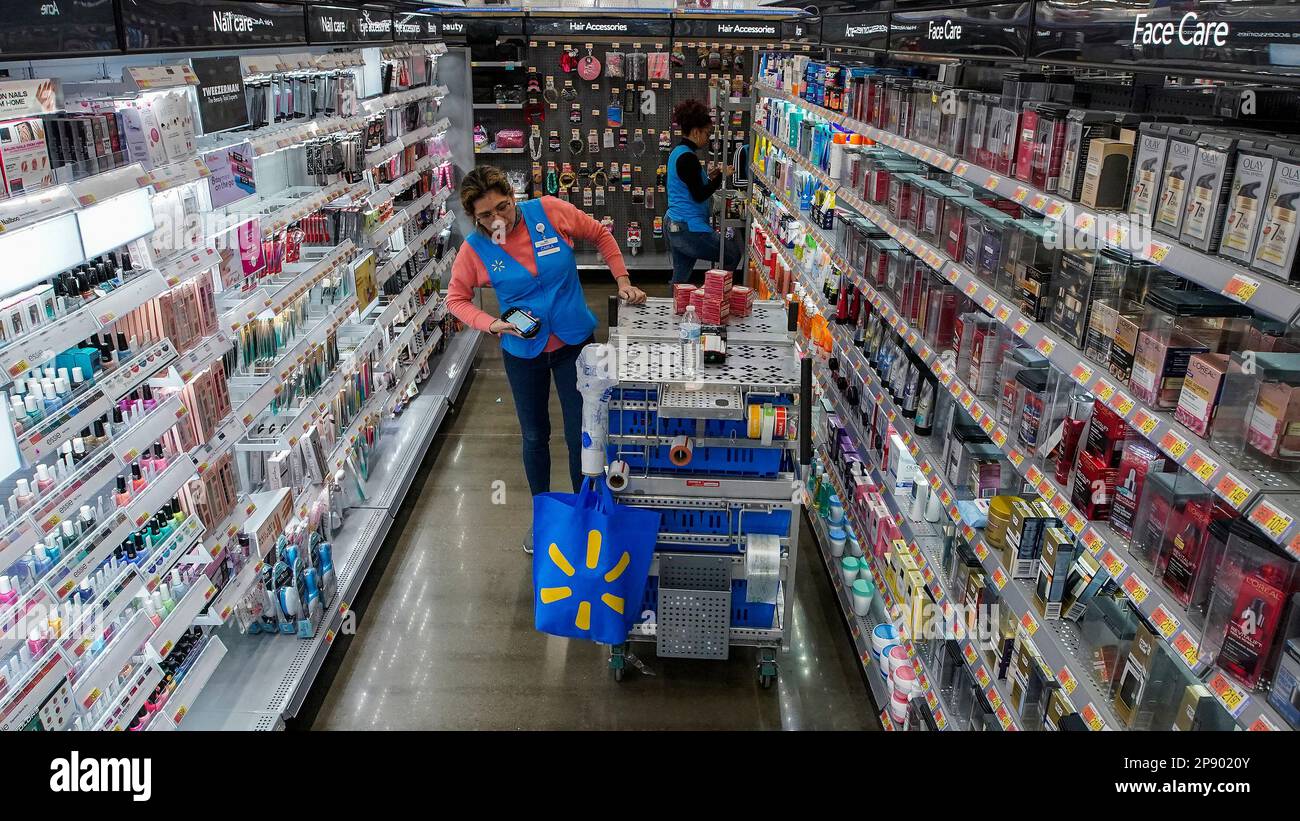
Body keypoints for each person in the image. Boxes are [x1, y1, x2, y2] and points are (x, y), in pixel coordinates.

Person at [446, 165, 646, 553]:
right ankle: (542, 519)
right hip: (524, 355)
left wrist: (622, 279)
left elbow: (601, 234)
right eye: (485, 215)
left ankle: (585, 515)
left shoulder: (550, 211)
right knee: (535, 435)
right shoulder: (475, 249)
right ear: (474, 217)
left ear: (513, 193)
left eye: (503, 207)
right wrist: (492, 325)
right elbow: (455, 298)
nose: (497, 219)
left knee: (582, 436)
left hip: (576, 345)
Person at [665, 98, 742, 285]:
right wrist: (720, 177)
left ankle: (676, 309)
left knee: (680, 280)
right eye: (706, 134)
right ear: (695, 131)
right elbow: (699, 194)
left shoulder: (679, 152)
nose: (708, 139)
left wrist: (710, 178)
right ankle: (715, 298)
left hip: (676, 224)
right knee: (732, 254)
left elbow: (689, 186)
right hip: (688, 227)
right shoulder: (688, 158)